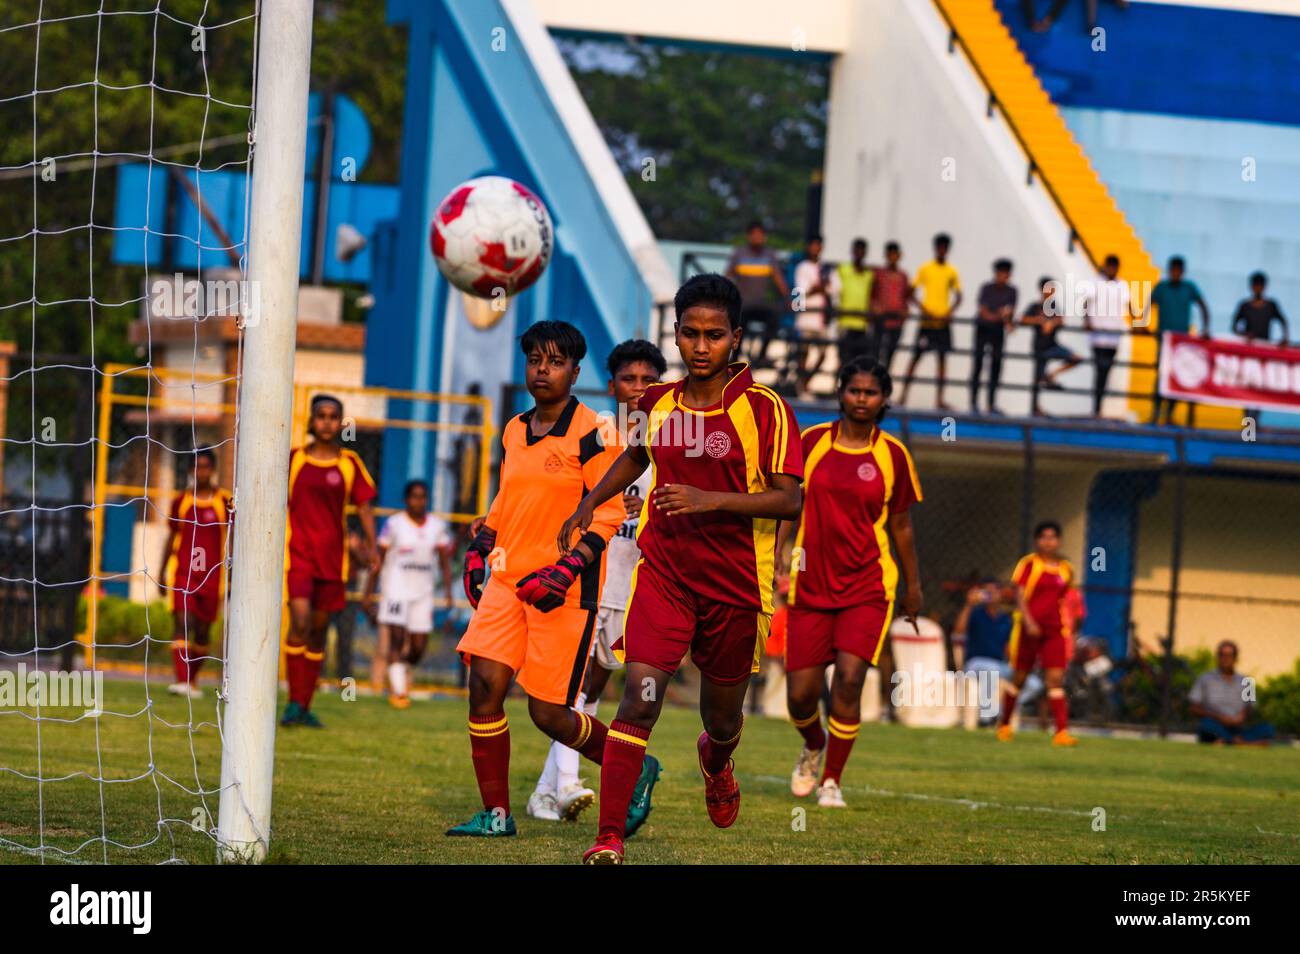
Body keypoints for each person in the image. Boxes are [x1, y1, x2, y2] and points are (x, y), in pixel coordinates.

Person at [558, 274, 803, 864]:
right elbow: (636, 455)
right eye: (690, 334)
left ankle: (716, 763)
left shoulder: (764, 410)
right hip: (664, 577)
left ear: (735, 339)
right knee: (639, 701)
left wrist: (709, 499)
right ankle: (609, 838)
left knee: (722, 721)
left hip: (737, 589)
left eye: (714, 336)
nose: (700, 346)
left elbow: (790, 499)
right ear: (675, 335)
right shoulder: (654, 402)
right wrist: (590, 502)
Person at [447, 320, 650, 839]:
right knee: (484, 688)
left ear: (576, 371)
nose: (543, 370)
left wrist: (565, 569)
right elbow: (508, 497)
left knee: (549, 714)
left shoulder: (594, 433)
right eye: (535, 360)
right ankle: (497, 816)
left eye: (555, 362)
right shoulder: (515, 428)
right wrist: (482, 542)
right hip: (507, 582)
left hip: (567, 592)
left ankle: (634, 765)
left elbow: (604, 516)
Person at [528, 339, 667, 825]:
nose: (638, 389)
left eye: (649, 381)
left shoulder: (670, 442)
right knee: (574, 690)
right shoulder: (597, 434)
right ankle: (567, 784)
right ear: (611, 385)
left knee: (591, 695)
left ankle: (546, 791)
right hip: (589, 580)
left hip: (635, 588)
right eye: (629, 379)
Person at [781, 359, 923, 807]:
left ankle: (832, 781)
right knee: (800, 696)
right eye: (854, 390)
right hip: (809, 585)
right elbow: (787, 503)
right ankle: (814, 744)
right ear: (841, 392)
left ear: (884, 398)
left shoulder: (893, 454)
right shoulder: (811, 442)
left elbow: (900, 526)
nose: (862, 399)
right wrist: (779, 557)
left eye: (871, 392)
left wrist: (914, 588)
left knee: (848, 680)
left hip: (868, 586)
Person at [282, 395, 379, 728]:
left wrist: (371, 545)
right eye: (320, 416)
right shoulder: (293, 460)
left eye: (333, 416)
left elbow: (365, 506)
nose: (326, 422)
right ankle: (293, 701)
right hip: (297, 556)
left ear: (341, 423)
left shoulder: (349, 463)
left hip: (332, 560)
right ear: (311, 421)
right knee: (300, 621)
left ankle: (304, 705)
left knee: (319, 632)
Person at [364, 479, 454, 709]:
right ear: (406, 500)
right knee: (395, 639)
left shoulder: (436, 526)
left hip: (423, 593)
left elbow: (444, 561)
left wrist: (449, 592)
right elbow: (379, 560)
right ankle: (399, 693)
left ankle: (398, 669)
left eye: (423, 496)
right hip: (396, 589)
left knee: (418, 647)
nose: (419, 501)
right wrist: (368, 592)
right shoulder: (394, 524)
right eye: (414, 496)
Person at [996, 521, 1077, 746]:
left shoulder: (1066, 569)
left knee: (1056, 678)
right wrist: (1029, 621)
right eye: (1044, 537)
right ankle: (1004, 725)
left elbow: (1064, 599)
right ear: (1037, 540)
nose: (1048, 542)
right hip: (1028, 629)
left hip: (1055, 631)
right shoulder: (1029, 564)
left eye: (1053, 537)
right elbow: (1019, 595)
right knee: (1020, 677)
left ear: (1059, 541)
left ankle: (1061, 732)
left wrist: (1069, 628)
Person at [160, 449, 232, 698]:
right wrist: (160, 571)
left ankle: (191, 681)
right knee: (182, 623)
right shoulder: (181, 501)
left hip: (213, 577)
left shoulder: (224, 502)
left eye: (205, 467)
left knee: (202, 632)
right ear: (190, 470)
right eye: (196, 467)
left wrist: (233, 576)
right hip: (184, 574)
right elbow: (171, 536)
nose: (200, 472)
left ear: (212, 470)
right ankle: (181, 680)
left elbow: (231, 540)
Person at [900, 233, 961, 410]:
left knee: (942, 361)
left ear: (947, 250)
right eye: (940, 247)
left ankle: (939, 400)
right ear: (936, 248)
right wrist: (925, 310)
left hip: (942, 323)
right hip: (927, 323)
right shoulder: (926, 268)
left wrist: (948, 313)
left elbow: (958, 296)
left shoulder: (951, 271)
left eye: (945, 247)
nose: (942, 250)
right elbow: (910, 293)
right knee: (915, 358)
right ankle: (903, 395)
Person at [1148, 256, 1210, 426]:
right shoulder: (1162, 287)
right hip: (1165, 340)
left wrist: (1205, 329)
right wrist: (1141, 325)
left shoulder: (1189, 288)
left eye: (1178, 270)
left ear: (1182, 272)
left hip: (1182, 343)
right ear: (1169, 270)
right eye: (1172, 270)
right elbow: (1148, 304)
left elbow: (1203, 305)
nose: (1175, 273)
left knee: (1177, 377)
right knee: (1162, 376)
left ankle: (1168, 415)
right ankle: (1155, 413)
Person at [725, 220, 789, 367]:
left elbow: (779, 279)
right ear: (748, 236)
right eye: (754, 235)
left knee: (774, 318)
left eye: (760, 235)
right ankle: (735, 358)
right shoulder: (739, 254)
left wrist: (788, 298)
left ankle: (761, 355)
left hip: (761, 304)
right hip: (743, 304)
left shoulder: (769, 255)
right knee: (739, 327)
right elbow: (728, 276)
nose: (757, 238)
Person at [1188, 641, 1274, 746]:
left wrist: (1242, 715)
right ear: (1217, 657)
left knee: (1268, 729)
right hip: (1215, 725)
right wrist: (1218, 717)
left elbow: (1251, 708)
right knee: (1206, 726)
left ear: (1236, 658)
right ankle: (1242, 742)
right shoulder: (1205, 678)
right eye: (1222, 655)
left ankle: (1228, 741)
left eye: (1229, 655)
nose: (1225, 659)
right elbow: (1193, 708)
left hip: (1239, 728)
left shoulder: (1247, 681)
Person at [1022, 276, 1081, 416]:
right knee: (1037, 380)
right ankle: (1035, 409)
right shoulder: (1035, 306)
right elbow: (1023, 319)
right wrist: (1040, 321)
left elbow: (1061, 320)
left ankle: (1051, 375)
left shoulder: (1054, 306)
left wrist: (1051, 323)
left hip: (1052, 345)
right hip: (1039, 347)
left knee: (1075, 358)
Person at [1085, 254, 1130, 417]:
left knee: (1106, 372)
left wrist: (1139, 323)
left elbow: (1129, 305)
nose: (1111, 270)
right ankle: (1096, 408)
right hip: (1098, 336)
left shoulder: (1122, 285)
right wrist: (1087, 321)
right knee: (1100, 371)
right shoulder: (1095, 282)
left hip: (1113, 338)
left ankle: (1098, 407)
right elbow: (1086, 303)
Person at [970, 259, 1018, 414]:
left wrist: (1001, 317)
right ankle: (974, 403)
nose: (1003, 276)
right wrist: (1001, 316)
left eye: (1006, 273)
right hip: (983, 330)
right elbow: (984, 312)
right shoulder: (987, 288)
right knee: (978, 364)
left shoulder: (1012, 291)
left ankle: (990, 404)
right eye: (1001, 273)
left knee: (995, 367)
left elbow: (1009, 312)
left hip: (997, 332)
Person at [790, 235, 830, 396]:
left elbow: (834, 289)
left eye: (818, 245)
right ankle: (801, 387)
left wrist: (819, 288)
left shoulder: (826, 268)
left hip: (821, 320)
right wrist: (817, 288)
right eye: (813, 245)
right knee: (803, 354)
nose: (815, 248)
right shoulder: (802, 267)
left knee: (823, 354)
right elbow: (799, 293)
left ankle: (806, 383)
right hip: (806, 318)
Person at [831, 238, 874, 372]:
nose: (859, 253)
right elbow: (833, 291)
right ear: (852, 251)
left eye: (862, 250)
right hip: (845, 322)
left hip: (862, 325)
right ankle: (837, 389)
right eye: (857, 250)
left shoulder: (869, 274)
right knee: (843, 360)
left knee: (858, 363)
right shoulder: (842, 269)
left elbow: (871, 296)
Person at [870, 241, 909, 372]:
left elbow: (906, 296)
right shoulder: (879, 274)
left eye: (895, 254)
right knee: (876, 351)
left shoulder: (903, 276)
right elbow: (871, 294)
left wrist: (904, 311)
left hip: (896, 322)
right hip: (881, 320)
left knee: (889, 354)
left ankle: (882, 382)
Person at [1232, 272, 1289, 345]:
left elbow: (1283, 321)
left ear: (1264, 287)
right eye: (1256, 285)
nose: (1258, 288)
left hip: (1265, 346)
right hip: (1248, 346)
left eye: (1260, 285)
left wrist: (1285, 338)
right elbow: (1234, 327)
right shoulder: (1244, 306)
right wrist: (1244, 335)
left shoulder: (1271, 305)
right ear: (1251, 287)